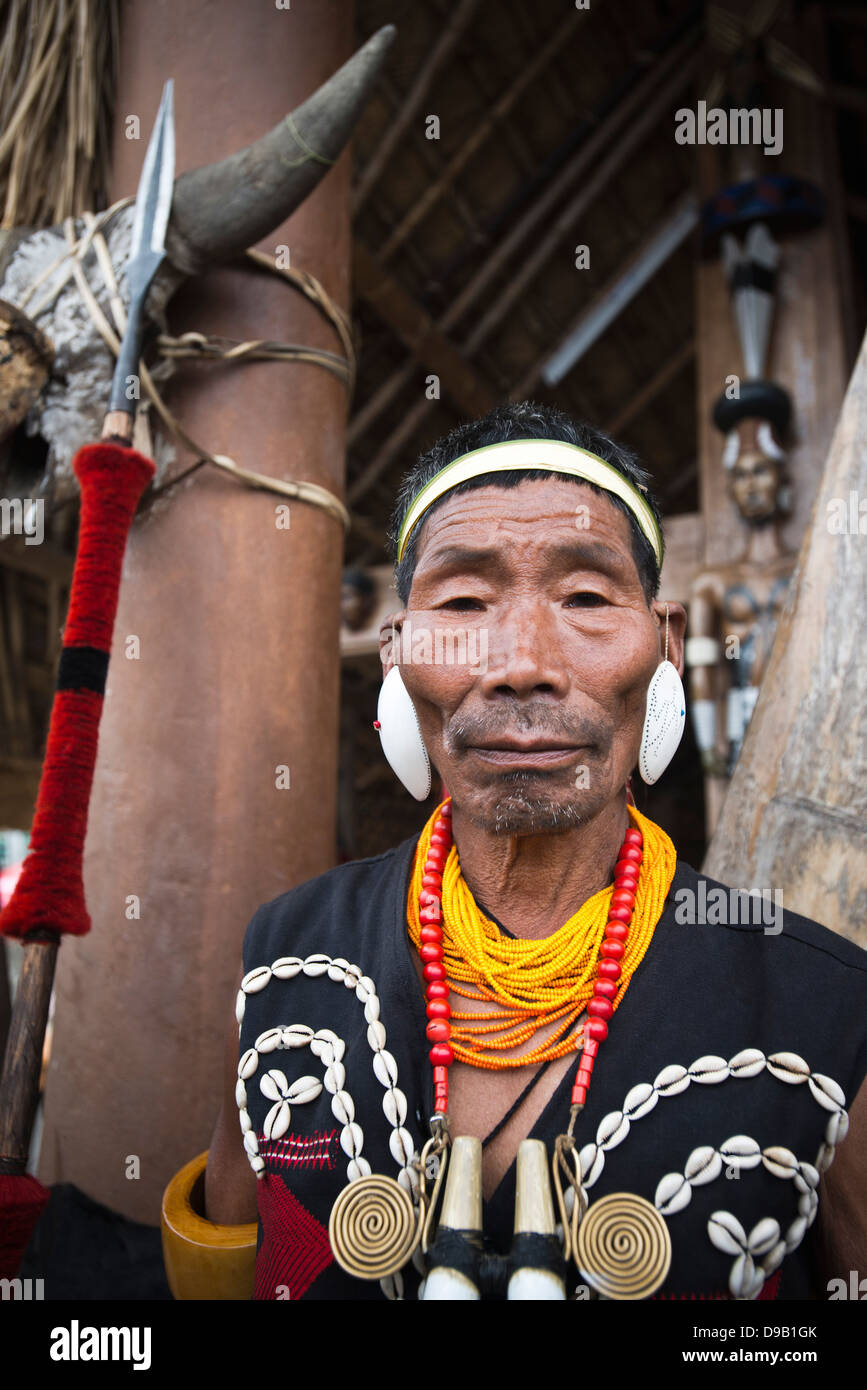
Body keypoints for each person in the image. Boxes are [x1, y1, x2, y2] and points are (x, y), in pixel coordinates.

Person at [203, 401, 867, 1301]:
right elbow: (223, 1266)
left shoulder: (821, 1011)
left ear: (663, 644)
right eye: (465, 600)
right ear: (398, 652)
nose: (522, 662)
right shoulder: (289, 955)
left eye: (588, 597)